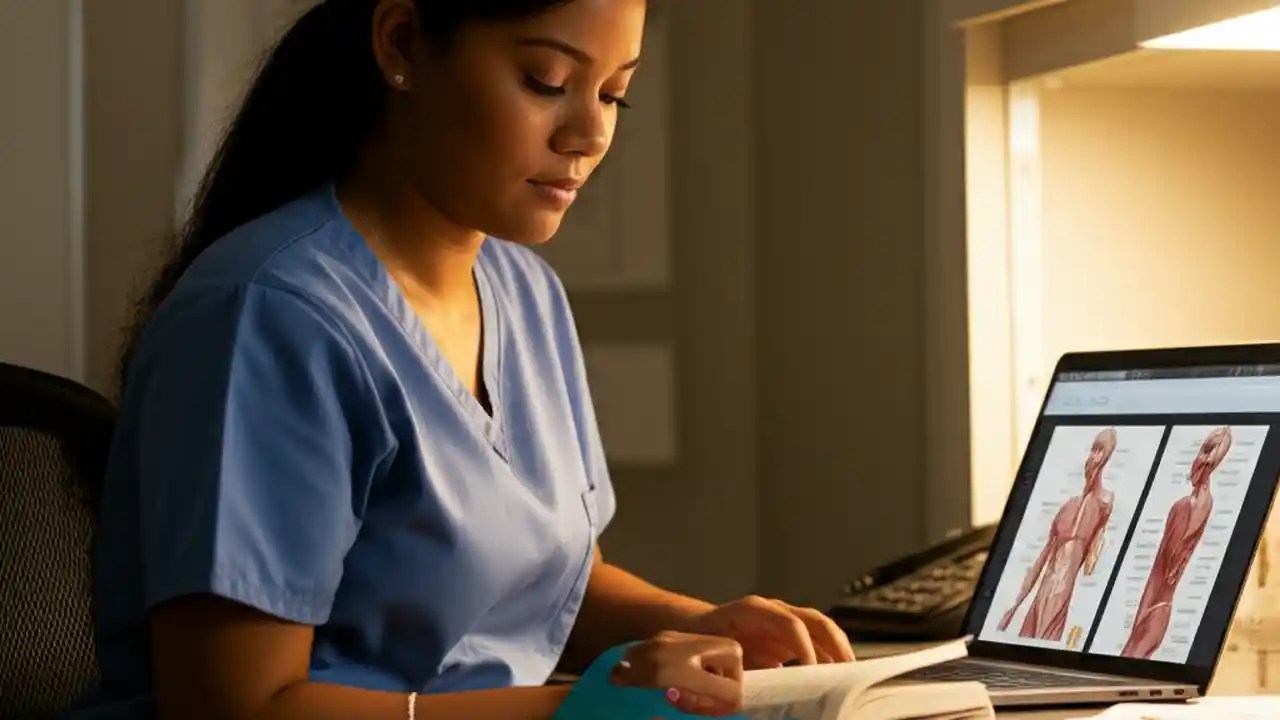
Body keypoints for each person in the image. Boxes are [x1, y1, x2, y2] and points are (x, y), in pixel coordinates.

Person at [71, 1, 855, 719]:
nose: (590, 134)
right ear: (404, 44)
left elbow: (533, 586)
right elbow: (241, 707)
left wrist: (696, 627)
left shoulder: (525, 292)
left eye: (615, 94)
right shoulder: (268, 316)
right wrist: (581, 708)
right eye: (547, 81)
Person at [1121, 427, 1232, 659]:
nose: (1203, 459)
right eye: (1204, 450)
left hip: (1156, 610)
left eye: (1211, 453)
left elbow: (1169, 566)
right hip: (1151, 610)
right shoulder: (1187, 504)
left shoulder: (1196, 504)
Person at [997, 428, 1117, 641]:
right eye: (1092, 449)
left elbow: (1092, 563)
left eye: (1100, 451)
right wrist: (1015, 606)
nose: (1093, 457)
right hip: (1043, 595)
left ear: (1108, 456)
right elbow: (1041, 560)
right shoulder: (1069, 506)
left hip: (1062, 597)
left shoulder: (1105, 503)